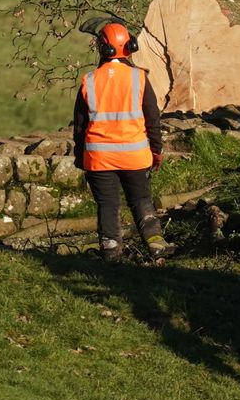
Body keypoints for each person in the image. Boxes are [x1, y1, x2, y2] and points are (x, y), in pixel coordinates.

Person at [72, 22, 172, 263]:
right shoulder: (139, 78)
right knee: (141, 201)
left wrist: (79, 157)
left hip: (99, 158)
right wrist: (156, 152)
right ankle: (157, 246)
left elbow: (79, 127)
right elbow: (153, 119)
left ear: (101, 47)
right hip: (135, 157)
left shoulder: (89, 80)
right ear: (130, 46)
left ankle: (111, 253)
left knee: (107, 205)